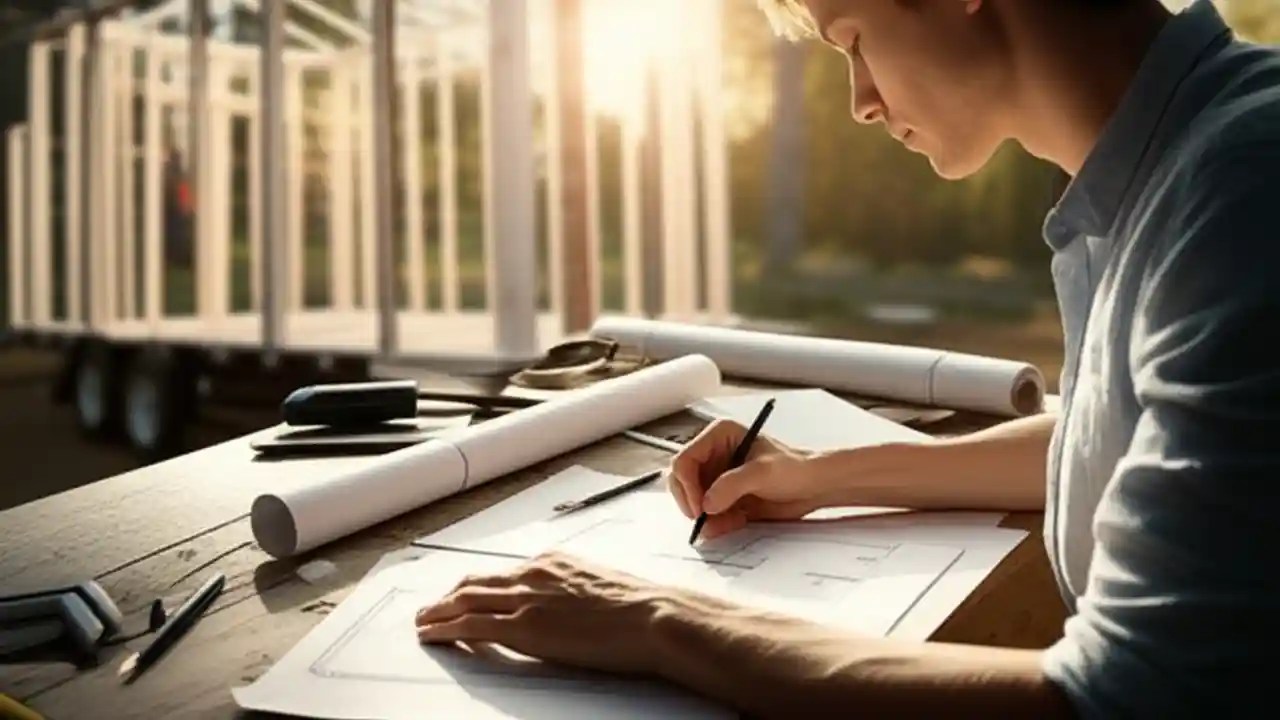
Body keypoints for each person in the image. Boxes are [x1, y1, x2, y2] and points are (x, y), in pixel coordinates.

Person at [415, 0, 1280, 716]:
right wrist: (825, 476)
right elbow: (1137, 450)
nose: (860, 101)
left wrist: (657, 621)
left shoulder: (1241, 193)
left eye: (852, 39)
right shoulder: (1167, 175)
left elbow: (1130, 699)